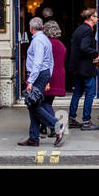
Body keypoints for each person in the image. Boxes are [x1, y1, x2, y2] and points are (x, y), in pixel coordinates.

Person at [20, 18, 61, 147]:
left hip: (37, 75)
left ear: (31, 28)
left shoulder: (37, 41)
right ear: (42, 27)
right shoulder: (45, 40)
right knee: (33, 105)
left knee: (34, 105)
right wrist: (48, 77)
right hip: (44, 73)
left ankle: (56, 126)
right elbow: (51, 62)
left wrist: (30, 81)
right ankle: (33, 138)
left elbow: (37, 62)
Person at [67, 7, 99, 129]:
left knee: (77, 93)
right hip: (86, 68)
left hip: (77, 67)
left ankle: (72, 119)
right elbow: (84, 47)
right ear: (91, 17)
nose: (97, 19)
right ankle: (86, 121)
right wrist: (96, 54)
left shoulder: (79, 29)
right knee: (90, 93)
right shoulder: (87, 30)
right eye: (96, 16)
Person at [44, 20, 68, 130]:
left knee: (43, 103)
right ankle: (43, 126)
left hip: (49, 75)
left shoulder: (46, 43)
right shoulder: (61, 44)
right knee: (48, 101)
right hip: (59, 74)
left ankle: (55, 125)